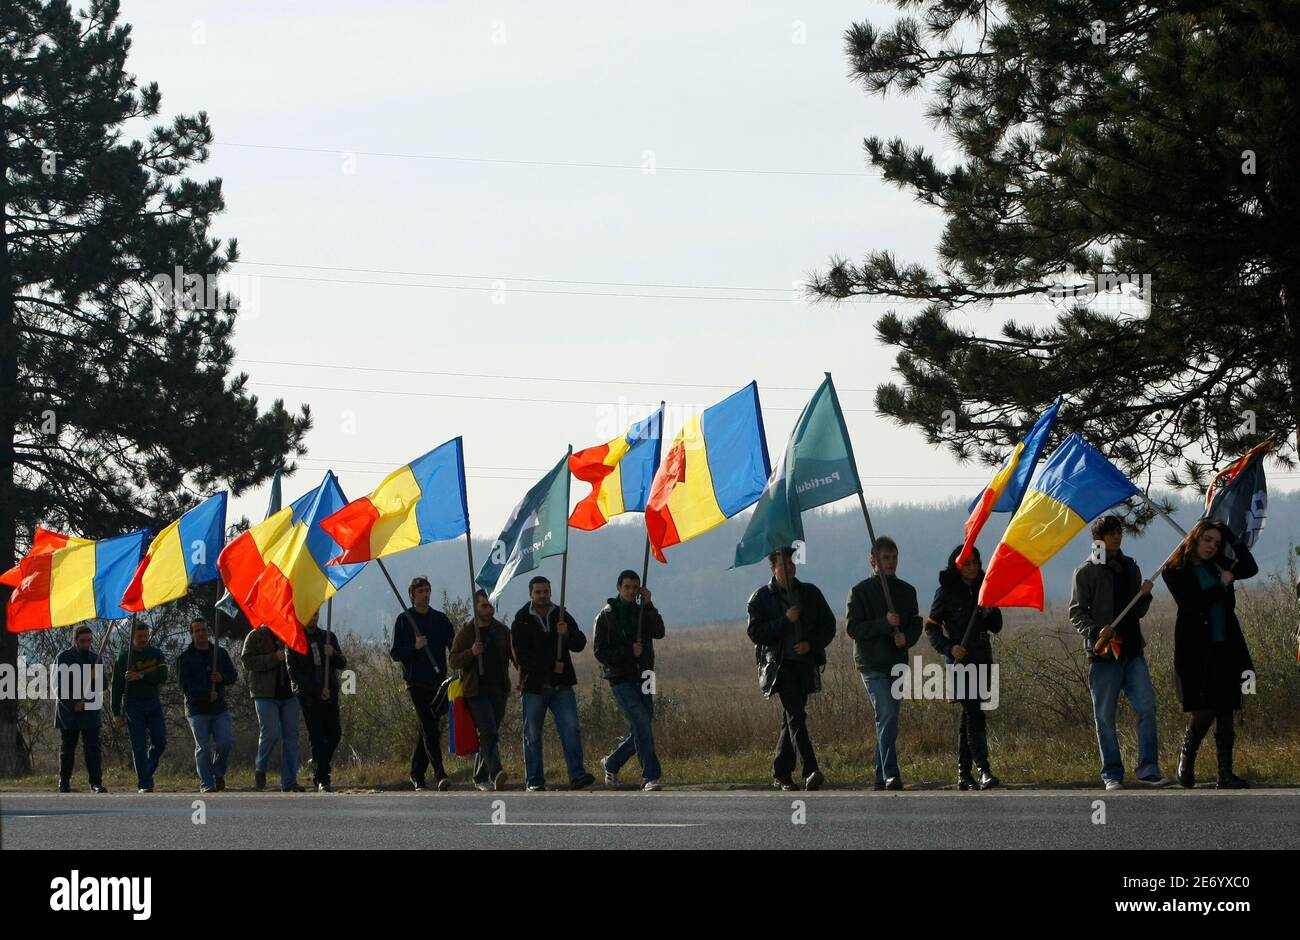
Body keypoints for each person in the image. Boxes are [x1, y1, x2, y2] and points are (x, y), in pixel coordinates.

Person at [1069, 515, 1169, 790]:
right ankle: (1112, 773)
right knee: (1104, 716)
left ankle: (1148, 769)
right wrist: (1095, 631)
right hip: (1102, 657)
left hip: (1133, 652)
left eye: (1118, 532)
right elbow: (1076, 611)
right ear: (1097, 539)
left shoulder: (1130, 566)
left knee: (1147, 706)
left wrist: (1145, 595)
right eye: (1110, 533)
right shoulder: (1085, 572)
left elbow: (1137, 611)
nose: (1116, 537)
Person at [1161, 519, 1258, 789]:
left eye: (1216, 543)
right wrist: (1222, 584)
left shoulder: (1220, 565)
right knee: (1204, 710)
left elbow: (1250, 567)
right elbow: (1193, 603)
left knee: (1226, 706)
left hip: (1226, 645)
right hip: (1196, 650)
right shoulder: (1175, 569)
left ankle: (1225, 774)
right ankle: (1187, 756)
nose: (1212, 546)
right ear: (1196, 537)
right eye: (1207, 540)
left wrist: (1229, 533)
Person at [746, 547, 836, 792]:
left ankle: (781, 772)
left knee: (790, 718)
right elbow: (755, 633)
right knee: (796, 715)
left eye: (792, 562)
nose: (789, 567)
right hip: (779, 666)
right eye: (783, 564)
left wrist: (811, 644)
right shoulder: (761, 598)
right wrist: (785, 620)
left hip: (804, 664)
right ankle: (811, 770)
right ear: (773, 568)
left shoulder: (810, 593)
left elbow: (828, 626)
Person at [845, 536, 923, 791]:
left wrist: (907, 638)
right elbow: (853, 628)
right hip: (871, 664)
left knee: (889, 720)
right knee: (886, 713)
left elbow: (915, 622)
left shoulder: (907, 591)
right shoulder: (860, 592)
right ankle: (891, 772)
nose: (890, 562)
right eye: (885, 558)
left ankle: (880, 776)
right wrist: (883, 623)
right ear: (873, 560)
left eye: (893, 557)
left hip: (897, 663)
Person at [926, 545, 1003, 790]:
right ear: (957, 565)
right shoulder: (946, 592)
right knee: (974, 713)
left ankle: (963, 774)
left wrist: (989, 609)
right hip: (960, 662)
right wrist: (949, 648)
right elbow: (931, 627)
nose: (972, 568)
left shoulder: (985, 588)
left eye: (976, 563)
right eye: (967, 563)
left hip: (982, 658)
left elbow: (997, 625)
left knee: (969, 716)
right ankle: (984, 769)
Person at [511, 575, 596, 791]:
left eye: (545, 591)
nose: (542, 595)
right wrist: (550, 665)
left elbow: (579, 643)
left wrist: (566, 633)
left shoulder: (562, 615)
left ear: (550, 592)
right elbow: (523, 657)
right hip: (534, 687)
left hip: (561, 686)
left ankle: (577, 774)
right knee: (532, 734)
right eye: (538, 592)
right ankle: (535, 780)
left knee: (571, 729)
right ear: (531, 593)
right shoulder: (520, 620)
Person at [593, 569, 666, 791]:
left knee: (643, 725)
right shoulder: (606, 615)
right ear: (619, 588)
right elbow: (599, 652)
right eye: (627, 587)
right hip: (620, 677)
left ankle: (612, 761)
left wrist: (649, 605)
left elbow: (659, 632)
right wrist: (627, 651)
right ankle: (650, 776)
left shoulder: (643, 611)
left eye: (635, 588)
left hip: (646, 674)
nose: (631, 591)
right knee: (641, 722)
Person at [389, 575, 456, 791]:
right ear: (411, 595)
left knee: (428, 729)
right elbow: (395, 653)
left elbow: (453, 646)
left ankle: (416, 773)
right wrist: (414, 647)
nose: (425, 595)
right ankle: (440, 774)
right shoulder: (403, 620)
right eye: (420, 591)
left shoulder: (440, 619)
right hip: (415, 682)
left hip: (438, 682)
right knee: (429, 726)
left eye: (427, 590)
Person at [448, 590, 514, 791]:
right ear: (476, 608)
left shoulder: (503, 630)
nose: (488, 609)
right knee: (487, 730)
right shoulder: (468, 632)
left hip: (499, 688)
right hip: (476, 691)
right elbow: (453, 660)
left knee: (490, 735)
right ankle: (496, 772)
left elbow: (514, 655)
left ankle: (479, 776)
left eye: (490, 605)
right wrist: (471, 652)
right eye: (484, 606)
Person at [177, 616, 238, 793]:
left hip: (219, 708)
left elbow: (233, 675)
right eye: (197, 631)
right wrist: (205, 694)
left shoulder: (220, 653)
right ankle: (207, 783)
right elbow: (184, 685)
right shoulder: (184, 659)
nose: (201, 633)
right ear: (192, 634)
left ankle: (217, 773)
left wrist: (222, 678)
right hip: (197, 709)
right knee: (203, 747)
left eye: (204, 630)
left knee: (225, 742)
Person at [241, 623, 303, 792]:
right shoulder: (255, 635)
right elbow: (247, 661)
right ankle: (260, 766)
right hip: (264, 694)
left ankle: (290, 781)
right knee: (270, 732)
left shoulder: (291, 633)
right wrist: (274, 658)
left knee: (291, 738)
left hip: (290, 695)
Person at [290, 612, 347, 791]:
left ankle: (318, 763)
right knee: (317, 736)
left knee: (335, 733)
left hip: (330, 693)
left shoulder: (328, 637)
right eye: (309, 614)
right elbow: (294, 672)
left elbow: (342, 663)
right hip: (309, 696)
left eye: (315, 615)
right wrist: (316, 689)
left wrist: (333, 654)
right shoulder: (294, 639)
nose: (312, 618)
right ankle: (322, 777)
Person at [111, 620, 169, 793]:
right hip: (133, 706)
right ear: (133, 637)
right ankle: (144, 783)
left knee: (160, 742)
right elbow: (116, 687)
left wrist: (141, 675)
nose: (143, 639)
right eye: (139, 636)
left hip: (153, 703)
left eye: (145, 636)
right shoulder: (124, 657)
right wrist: (116, 712)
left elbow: (163, 675)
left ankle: (146, 773)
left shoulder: (156, 654)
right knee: (138, 745)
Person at [56, 625, 107, 793]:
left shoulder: (96, 658)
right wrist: (73, 704)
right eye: (83, 641)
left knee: (93, 748)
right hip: (68, 713)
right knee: (68, 748)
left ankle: (95, 782)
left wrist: (96, 677)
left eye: (89, 641)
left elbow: (104, 685)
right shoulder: (63, 657)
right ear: (75, 641)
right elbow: (58, 685)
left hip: (90, 711)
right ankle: (64, 782)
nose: (87, 644)